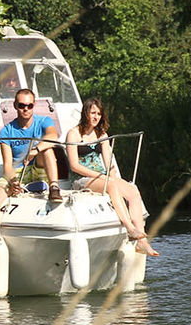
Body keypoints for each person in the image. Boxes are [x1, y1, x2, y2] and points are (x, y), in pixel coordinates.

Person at [0, 88, 62, 260]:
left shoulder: (43, 121)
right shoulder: (6, 131)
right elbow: (7, 165)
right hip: (17, 170)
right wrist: (13, 181)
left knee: (48, 148)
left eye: (29, 105)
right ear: (15, 106)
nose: (26, 109)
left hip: (38, 165)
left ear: (34, 106)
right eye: (22, 105)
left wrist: (36, 150)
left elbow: (53, 135)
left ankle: (54, 187)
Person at [65, 98, 158, 257]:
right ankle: (130, 229)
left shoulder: (102, 134)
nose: (96, 117)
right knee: (111, 186)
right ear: (85, 113)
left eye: (99, 114)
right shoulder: (73, 134)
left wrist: (113, 177)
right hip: (83, 179)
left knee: (132, 190)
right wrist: (103, 177)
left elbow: (109, 164)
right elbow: (74, 165)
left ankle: (142, 242)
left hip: (103, 176)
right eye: (93, 113)